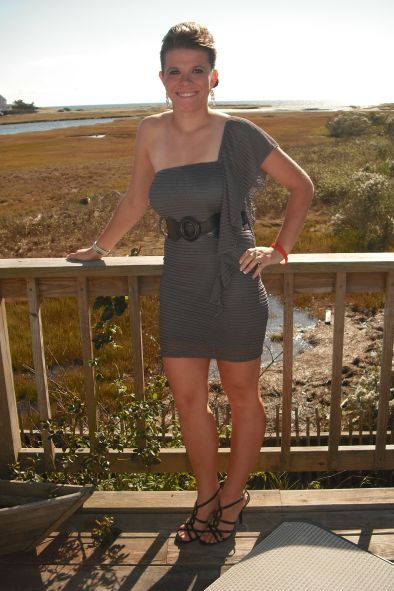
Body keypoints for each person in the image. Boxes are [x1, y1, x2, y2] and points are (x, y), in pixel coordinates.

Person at [67, 22, 314, 545]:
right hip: (180, 279)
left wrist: (278, 249)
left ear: (213, 77)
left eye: (196, 71)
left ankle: (234, 496)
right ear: (162, 77)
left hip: (234, 278)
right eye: (175, 71)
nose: (186, 81)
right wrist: (99, 248)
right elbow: (137, 198)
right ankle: (206, 496)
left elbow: (301, 186)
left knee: (242, 395)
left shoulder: (239, 133)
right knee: (187, 399)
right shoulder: (150, 132)